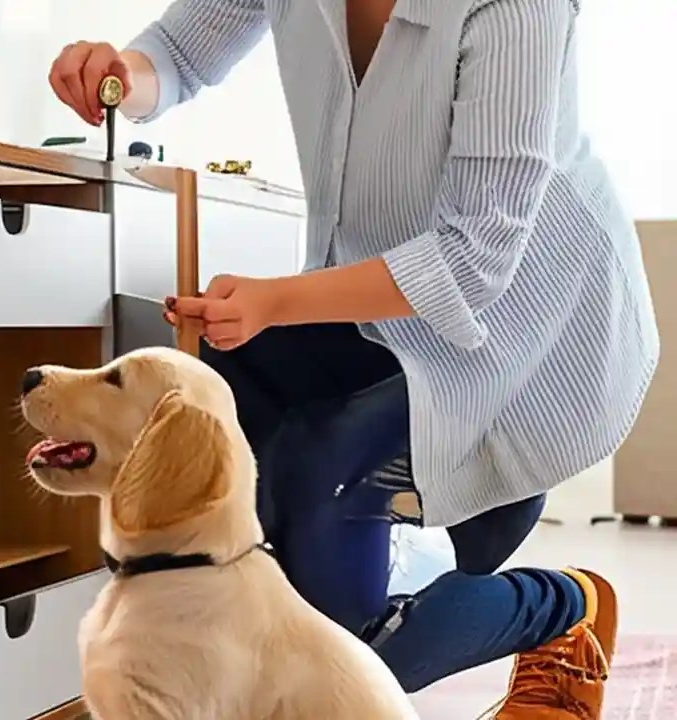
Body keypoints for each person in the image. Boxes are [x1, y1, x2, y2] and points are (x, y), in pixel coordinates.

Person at [49, 1, 659, 718]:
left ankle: (564, 607)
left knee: (346, 645)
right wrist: (120, 75)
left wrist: (276, 301)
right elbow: (178, 55)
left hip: (530, 343)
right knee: (209, 408)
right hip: (378, 309)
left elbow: (474, 258)